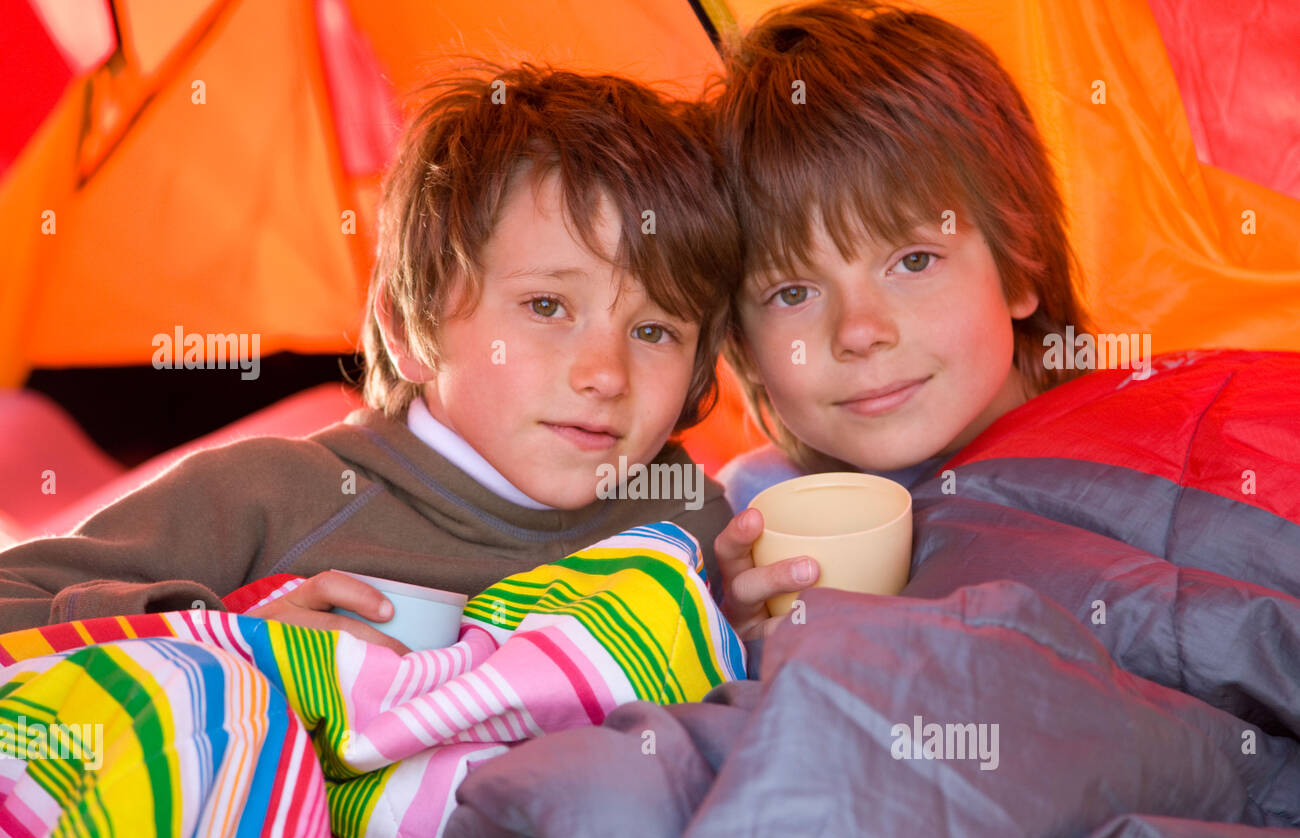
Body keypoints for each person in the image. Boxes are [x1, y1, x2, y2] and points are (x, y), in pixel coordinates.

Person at [0, 64, 740, 647]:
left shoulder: (687, 517)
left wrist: (747, 632)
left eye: (655, 331)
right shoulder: (272, 498)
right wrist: (228, 634)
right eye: (547, 306)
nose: (606, 375)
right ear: (409, 330)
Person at [709, 0, 1090, 641]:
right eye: (793, 292)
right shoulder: (745, 516)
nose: (859, 331)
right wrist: (727, 642)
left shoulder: (1137, 442)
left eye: (913, 260)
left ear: (1021, 265)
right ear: (743, 346)